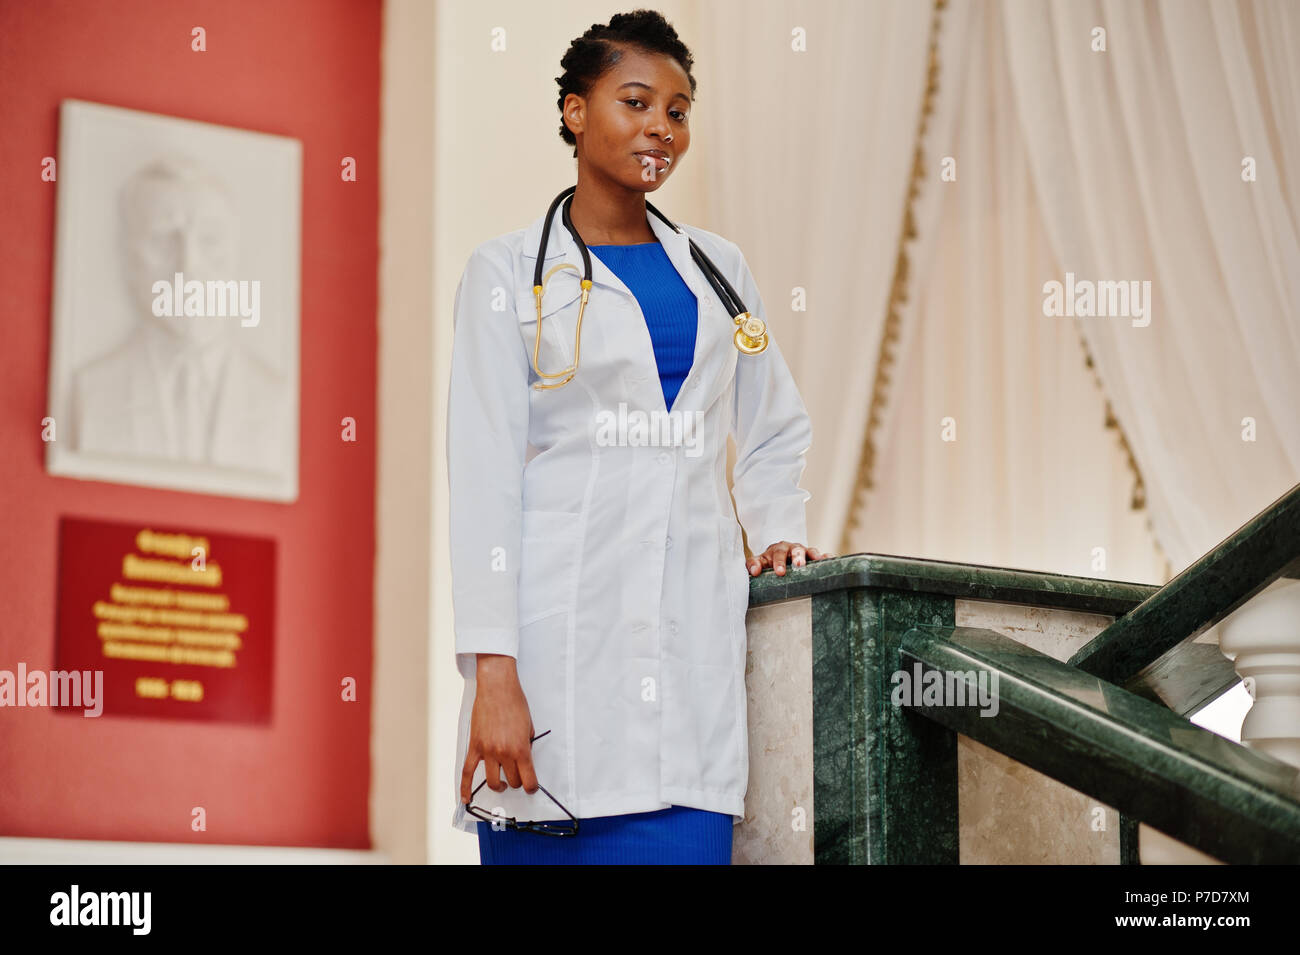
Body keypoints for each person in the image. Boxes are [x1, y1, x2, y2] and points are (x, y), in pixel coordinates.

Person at [446, 9, 829, 865]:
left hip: (689, 677)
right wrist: (494, 677)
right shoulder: (505, 272)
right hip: (550, 681)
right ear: (577, 113)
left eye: (680, 110)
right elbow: (482, 483)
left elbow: (772, 428)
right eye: (636, 101)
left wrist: (774, 530)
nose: (662, 125)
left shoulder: (721, 272)